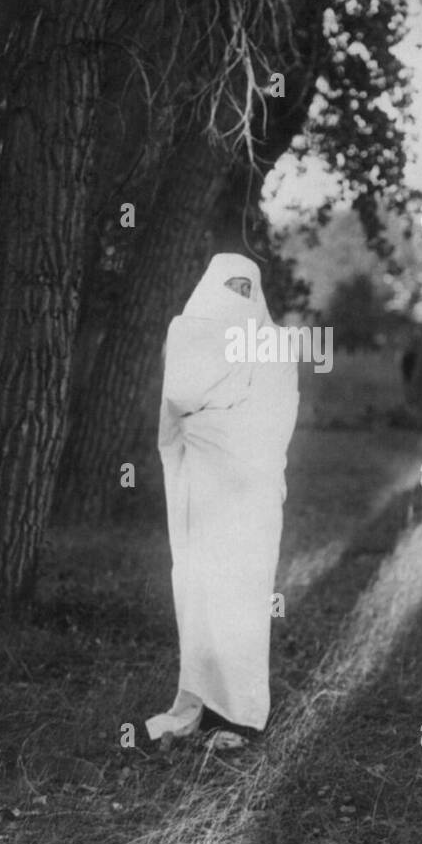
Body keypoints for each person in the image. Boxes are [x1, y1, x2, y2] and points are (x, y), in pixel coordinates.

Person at [146, 253, 299, 749]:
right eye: (227, 286)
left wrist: (213, 421)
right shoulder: (195, 333)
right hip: (207, 495)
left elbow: (269, 423)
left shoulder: (273, 345)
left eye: (244, 287)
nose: (236, 298)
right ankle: (206, 704)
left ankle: (242, 716)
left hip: (249, 497)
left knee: (240, 598)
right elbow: (182, 395)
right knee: (200, 593)